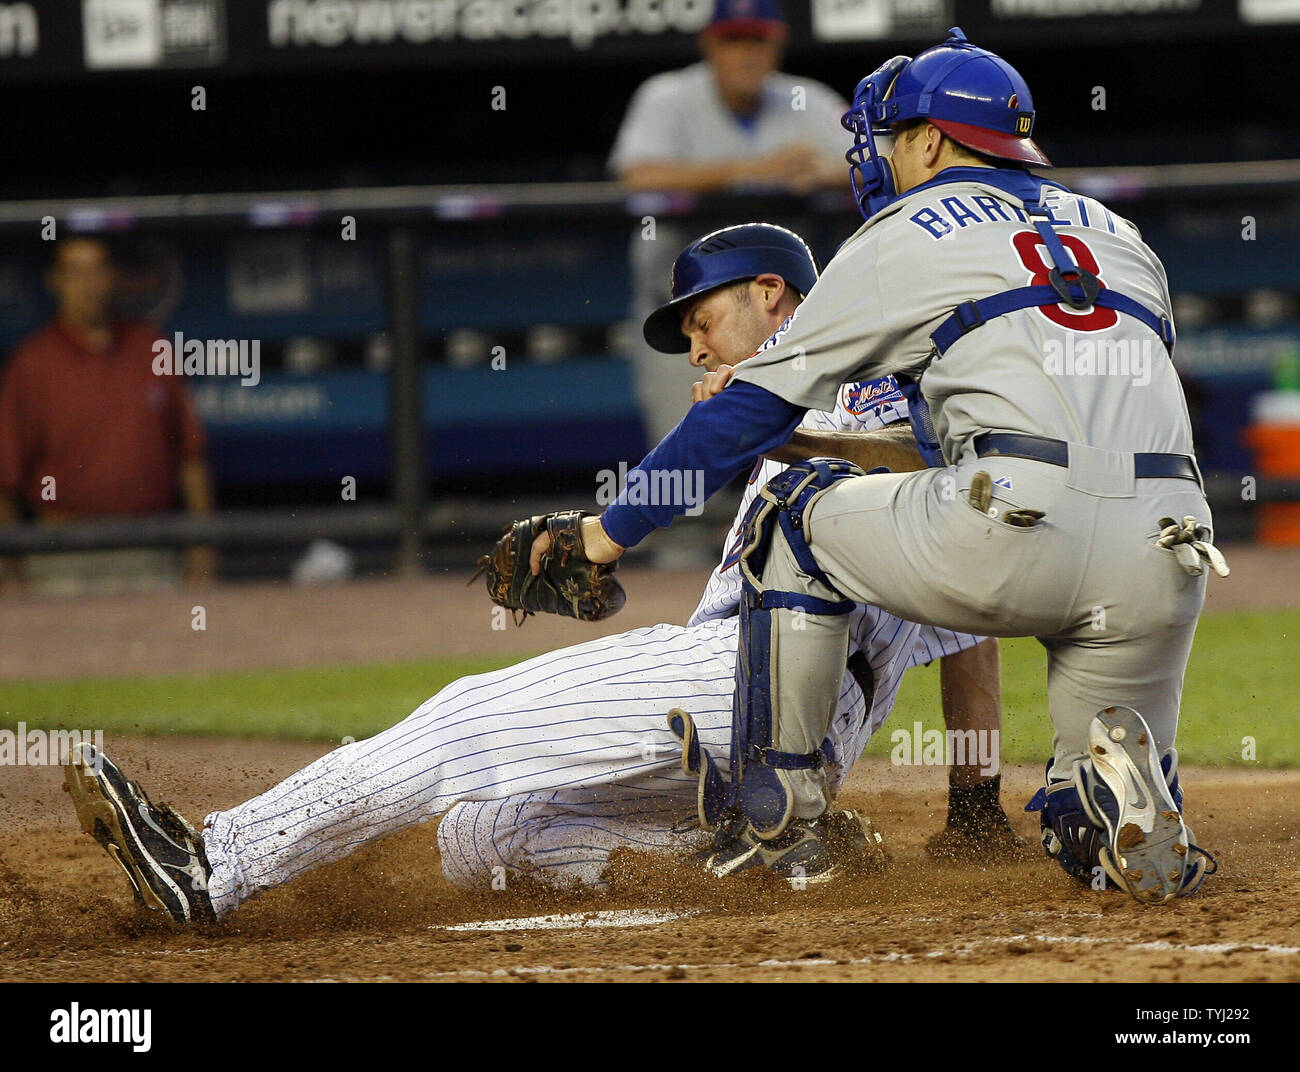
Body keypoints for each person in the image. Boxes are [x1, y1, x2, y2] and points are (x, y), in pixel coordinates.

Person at [63, 223, 1018, 924]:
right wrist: (971, 805)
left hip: (758, 682)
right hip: (763, 722)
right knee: (478, 838)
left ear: (774, 294)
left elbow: (949, 521)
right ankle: (751, 855)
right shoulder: (790, 412)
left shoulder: (873, 381)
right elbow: (965, 626)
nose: (694, 346)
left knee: (464, 719)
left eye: (704, 319)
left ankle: (212, 866)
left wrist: (976, 803)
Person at [532, 30, 1225, 904]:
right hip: (1170, 544)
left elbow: (750, 410)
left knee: (797, 513)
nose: (884, 157)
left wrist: (607, 532)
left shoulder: (909, 228)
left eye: (893, 139)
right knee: (1087, 830)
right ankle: (1106, 800)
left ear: (932, 141)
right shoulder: (1125, 238)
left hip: (1015, 525)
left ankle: (781, 812)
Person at [609, 0, 849, 565]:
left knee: (816, 451)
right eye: (733, 38)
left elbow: (877, 163)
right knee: (682, 461)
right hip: (685, 315)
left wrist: (827, 173)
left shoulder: (805, 98)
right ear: (710, 44)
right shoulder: (667, 97)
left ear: (777, 43)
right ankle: (674, 594)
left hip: (780, 322)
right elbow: (637, 175)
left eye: (758, 39)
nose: (746, 52)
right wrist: (752, 171)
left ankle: (790, 562)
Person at [0, 236, 215, 593]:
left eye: (98, 270)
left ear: (114, 277)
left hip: (146, 544)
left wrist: (202, 555)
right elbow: (4, 479)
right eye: (75, 272)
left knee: (160, 647)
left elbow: (191, 458)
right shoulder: (32, 362)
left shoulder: (150, 348)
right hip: (59, 550)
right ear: (55, 281)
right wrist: (10, 571)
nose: (88, 284)